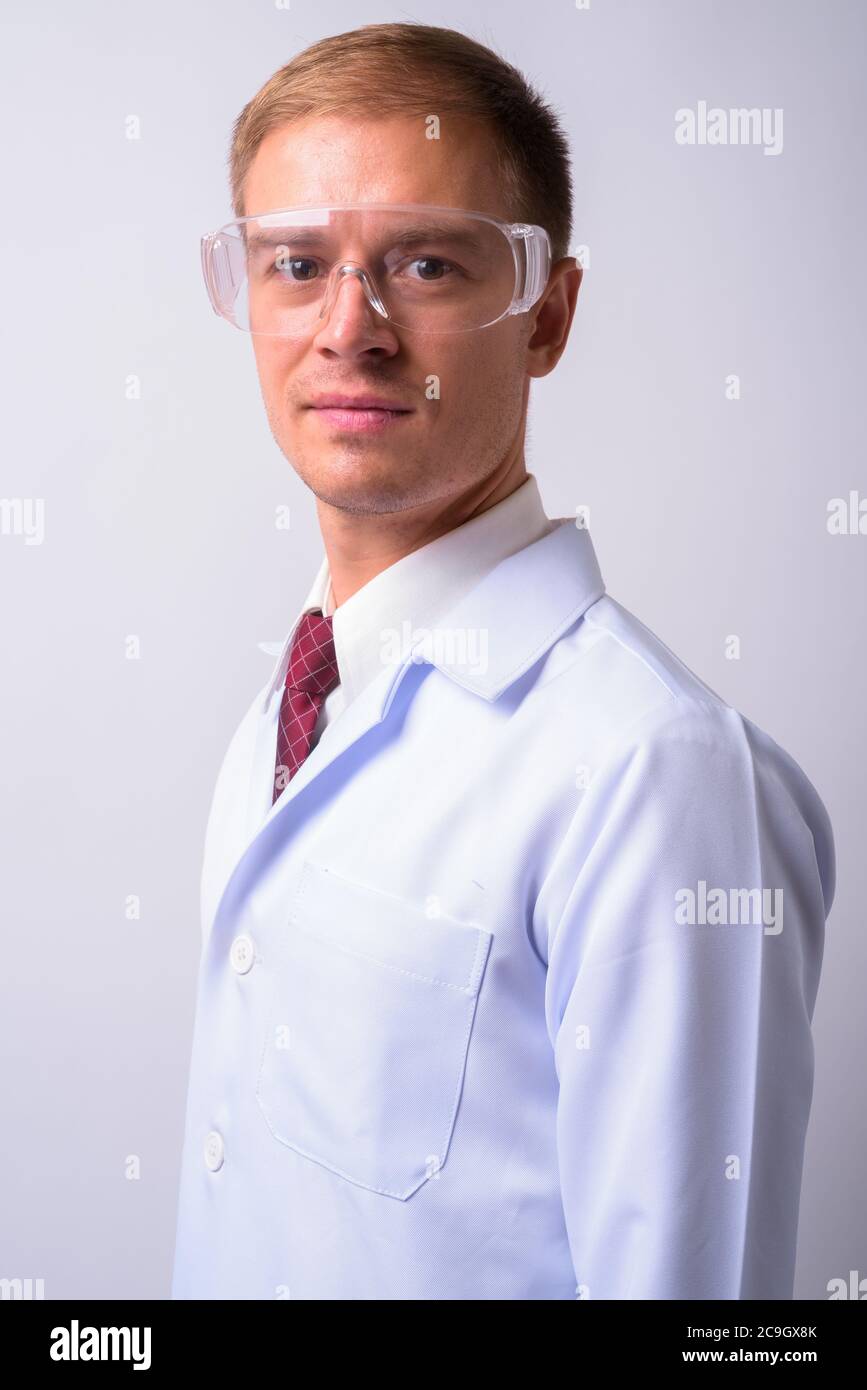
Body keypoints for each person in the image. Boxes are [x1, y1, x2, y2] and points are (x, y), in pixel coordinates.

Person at [171, 22, 835, 1300]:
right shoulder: (299, 698)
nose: (349, 329)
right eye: (297, 264)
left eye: (426, 262)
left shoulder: (657, 777)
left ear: (549, 316)